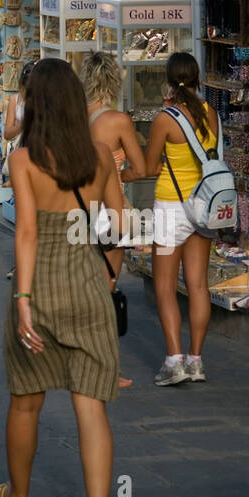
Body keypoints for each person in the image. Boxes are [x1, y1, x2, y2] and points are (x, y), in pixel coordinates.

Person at [0, 59, 124, 497]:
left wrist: (24, 299)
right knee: (91, 408)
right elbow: (119, 225)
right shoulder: (99, 155)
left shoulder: (24, 160)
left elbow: (26, 232)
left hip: (40, 286)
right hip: (89, 288)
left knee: (26, 399)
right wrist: (107, 274)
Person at [142, 52, 219, 387]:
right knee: (198, 285)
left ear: (170, 80)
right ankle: (196, 360)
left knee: (164, 286)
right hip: (202, 205)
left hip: (171, 207)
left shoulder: (165, 118)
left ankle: (174, 361)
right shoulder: (210, 113)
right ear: (198, 77)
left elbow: (148, 167)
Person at [79, 51, 147, 390]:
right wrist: (121, 174)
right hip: (110, 213)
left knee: (85, 287)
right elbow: (141, 167)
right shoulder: (118, 121)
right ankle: (103, 368)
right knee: (107, 288)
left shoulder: (75, 117)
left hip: (77, 211)